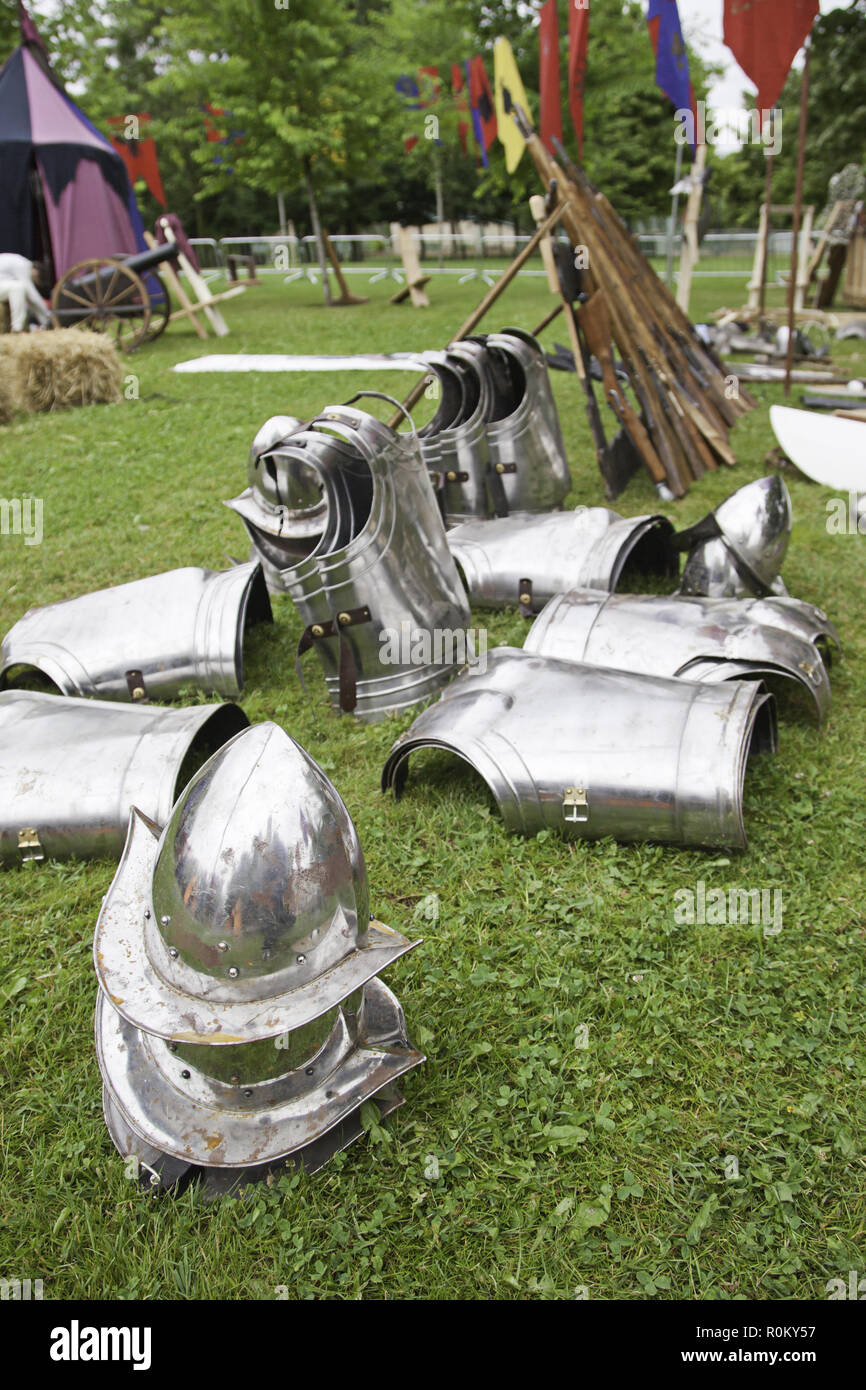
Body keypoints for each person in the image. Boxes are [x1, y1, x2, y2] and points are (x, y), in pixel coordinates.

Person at [0, 253, 52, 332]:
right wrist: (48, 317)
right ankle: (17, 329)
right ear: (36, 272)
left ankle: (18, 327)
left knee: (18, 288)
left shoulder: (20, 262)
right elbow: (33, 296)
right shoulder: (23, 266)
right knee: (18, 288)